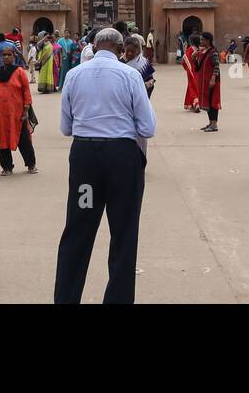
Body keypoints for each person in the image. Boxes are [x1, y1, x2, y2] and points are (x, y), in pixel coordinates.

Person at [54, 28, 157, 304]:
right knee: (123, 231)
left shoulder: (75, 75)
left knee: (79, 228)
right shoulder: (130, 76)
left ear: (94, 46)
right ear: (121, 49)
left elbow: (66, 127)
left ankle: (66, 298)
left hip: (86, 159)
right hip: (121, 160)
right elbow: (147, 128)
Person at [0, 45, 36, 175]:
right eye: (4, 55)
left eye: (9, 55)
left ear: (14, 56)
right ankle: (7, 167)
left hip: (17, 113)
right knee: (1, 139)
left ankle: (31, 164)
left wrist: (26, 109)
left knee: (23, 139)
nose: (6, 57)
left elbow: (26, 91)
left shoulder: (19, 72)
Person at [194, 32, 222, 132]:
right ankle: (210, 122)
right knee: (208, 101)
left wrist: (213, 79)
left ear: (208, 40)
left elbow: (216, 66)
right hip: (205, 82)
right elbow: (198, 67)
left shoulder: (213, 52)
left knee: (212, 102)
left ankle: (214, 124)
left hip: (211, 82)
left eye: (202, 40)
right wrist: (194, 56)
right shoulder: (204, 52)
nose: (201, 41)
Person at [181, 40, 200, 112]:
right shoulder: (200, 50)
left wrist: (186, 69)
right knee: (195, 87)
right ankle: (191, 104)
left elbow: (183, 60)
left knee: (191, 87)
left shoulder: (190, 49)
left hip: (190, 71)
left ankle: (196, 103)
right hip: (199, 72)